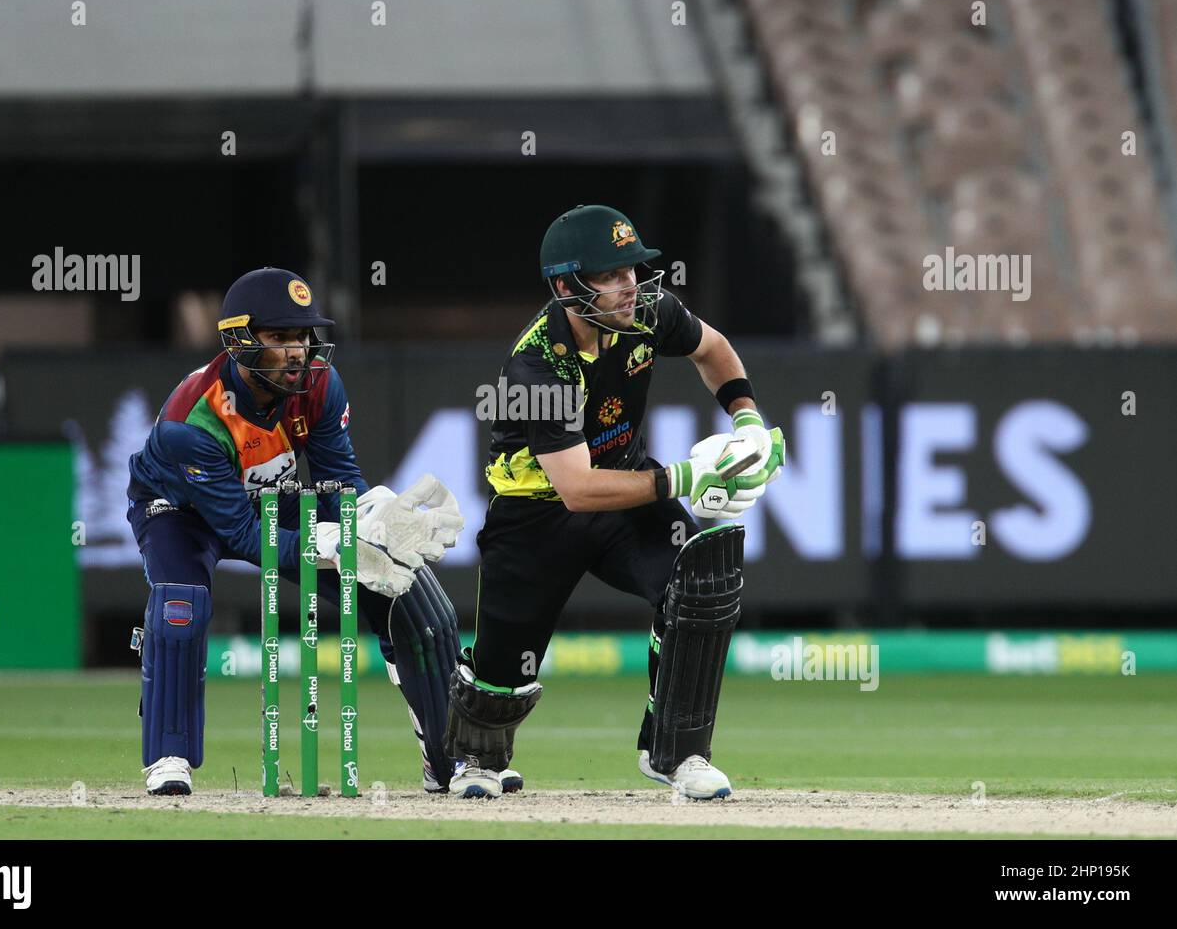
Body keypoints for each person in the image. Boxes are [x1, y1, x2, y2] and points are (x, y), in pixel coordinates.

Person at [443, 205, 785, 800]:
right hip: (535, 515)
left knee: (699, 579)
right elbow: (576, 489)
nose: (630, 284)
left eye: (632, 268)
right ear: (565, 287)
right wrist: (683, 478)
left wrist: (748, 419)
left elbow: (714, 349)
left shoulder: (647, 311)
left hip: (625, 490)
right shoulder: (535, 367)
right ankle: (476, 759)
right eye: (611, 274)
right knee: (502, 677)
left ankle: (677, 752)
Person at [126, 267, 465, 795]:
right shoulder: (191, 421)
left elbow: (338, 483)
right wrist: (323, 543)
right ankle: (168, 755)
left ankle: (451, 755)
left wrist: (370, 519)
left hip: (271, 497)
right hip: (180, 509)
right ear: (239, 341)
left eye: (303, 336)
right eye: (280, 337)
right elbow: (239, 535)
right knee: (181, 602)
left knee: (398, 586)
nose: (298, 351)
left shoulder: (321, 386)